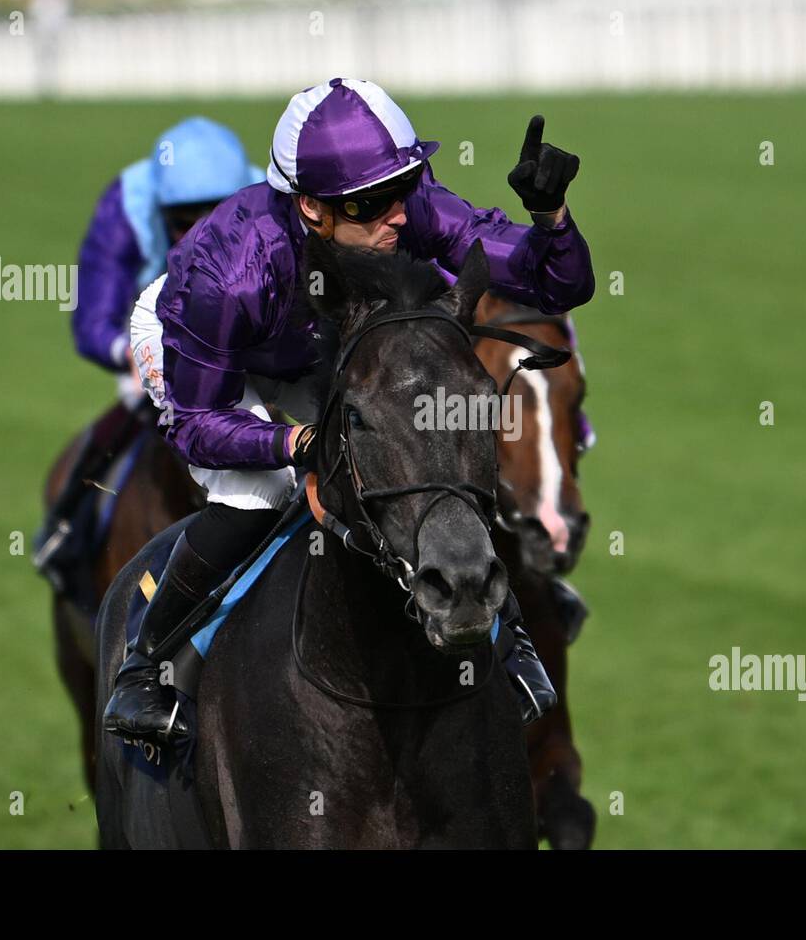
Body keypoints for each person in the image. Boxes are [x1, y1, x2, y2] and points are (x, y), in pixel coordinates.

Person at [106, 77, 595, 742]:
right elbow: (199, 428)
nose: (399, 215)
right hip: (204, 346)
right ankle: (144, 663)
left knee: (420, 443)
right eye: (373, 204)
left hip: (314, 338)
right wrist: (294, 444)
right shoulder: (230, 273)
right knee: (260, 496)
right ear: (311, 207)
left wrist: (552, 219)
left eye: (405, 189)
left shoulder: (404, 208)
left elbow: (556, 284)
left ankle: (509, 635)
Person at [33, 117, 264, 579]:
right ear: (159, 212)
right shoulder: (126, 205)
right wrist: (128, 354)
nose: (201, 237)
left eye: (217, 218)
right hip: (152, 336)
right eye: (182, 223)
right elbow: (93, 320)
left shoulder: (269, 199)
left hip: (253, 342)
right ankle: (66, 529)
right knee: (128, 421)